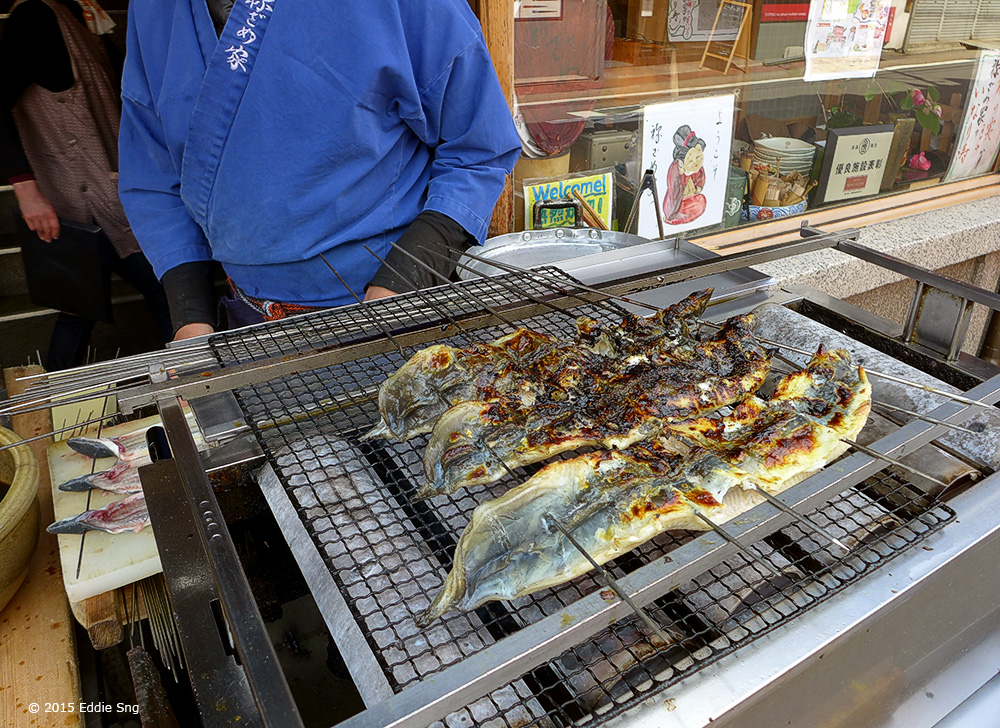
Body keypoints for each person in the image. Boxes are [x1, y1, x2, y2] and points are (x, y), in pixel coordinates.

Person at [118, 0, 523, 340]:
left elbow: (477, 149)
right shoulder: (154, 9)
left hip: (393, 303)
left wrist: (402, 279)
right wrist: (190, 316)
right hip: (248, 321)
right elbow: (153, 173)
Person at [0, 0, 173, 370]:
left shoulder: (76, 13)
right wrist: (26, 190)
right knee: (168, 288)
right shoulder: (34, 16)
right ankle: (194, 382)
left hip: (112, 188)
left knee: (80, 308)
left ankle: (49, 405)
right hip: (82, 196)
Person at [662, 125, 707, 226]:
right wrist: (671, 212)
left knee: (701, 201)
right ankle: (673, 219)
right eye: (691, 159)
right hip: (676, 203)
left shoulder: (697, 167)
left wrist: (699, 186)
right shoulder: (677, 169)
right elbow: (673, 192)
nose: (696, 162)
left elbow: (700, 176)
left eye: (699, 157)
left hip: (691, 199)